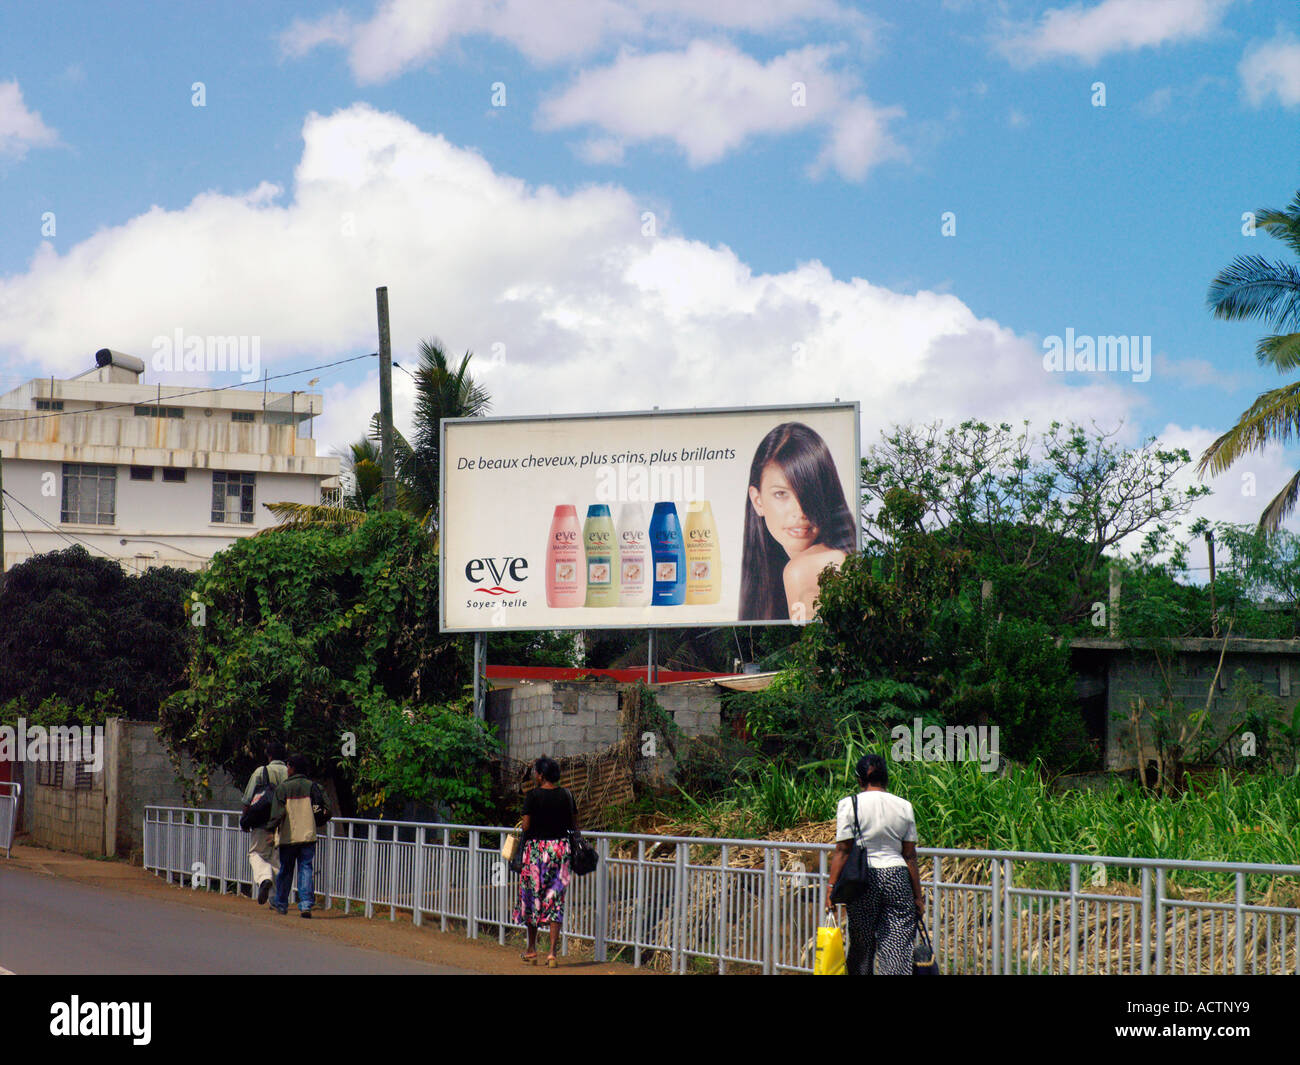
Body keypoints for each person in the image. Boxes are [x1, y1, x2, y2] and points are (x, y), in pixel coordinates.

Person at [739, 422, 855, 621]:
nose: (800, 511)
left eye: (808, 491)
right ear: (757, 501)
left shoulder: (803, 569)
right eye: (781, 494)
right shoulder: (776, 576)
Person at [824, 754, 924, 975]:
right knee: (897, 946)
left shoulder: (849, 804)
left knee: (862, 945)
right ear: (886, 778)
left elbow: (843, 850)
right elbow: (910, 855)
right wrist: (917, 896)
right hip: (897, 876)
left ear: (860, 780)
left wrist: (831, 889)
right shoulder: (904, 806)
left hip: (863, 879)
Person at [512, 756, 576, 967]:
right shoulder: (567, 795)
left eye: (535, 772)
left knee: (532, 899)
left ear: (540, 774)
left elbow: (526, 827)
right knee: (556, 900)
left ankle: (531, 949)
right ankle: (552, 953)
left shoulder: (532, 796)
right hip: (560, 851)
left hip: (536, 853)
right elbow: (575, 825)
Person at [265, 753, 319, 918]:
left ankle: (281, 903)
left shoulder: (283, 788)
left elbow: (277, 813)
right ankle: (306, 904)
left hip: (288, 837)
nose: (287, 769)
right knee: (306, 868)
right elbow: (321, 809)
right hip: (308, 835)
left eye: (288, 766)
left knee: (286, 870)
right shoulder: (312, 786)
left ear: (293, 768)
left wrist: (270, 830)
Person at [242, 741, 288, 906]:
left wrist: (245, 820)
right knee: (277, 860)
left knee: (256, 854)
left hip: (262, 822)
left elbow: (248, 799)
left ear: (268, 755)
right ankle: (276, 899)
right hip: (284, 823)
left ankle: (264, 879)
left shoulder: (261, 772)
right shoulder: (291, 772)